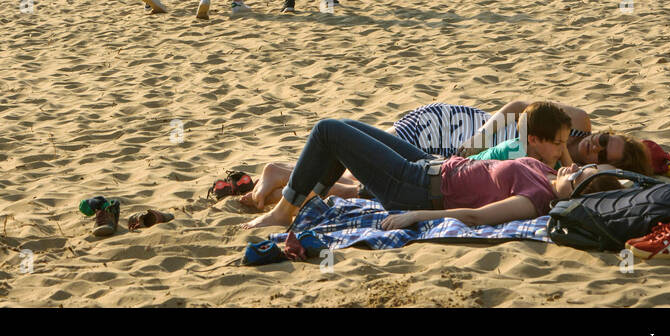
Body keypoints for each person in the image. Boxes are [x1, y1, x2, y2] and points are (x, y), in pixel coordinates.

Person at [240, 117, 618, 232]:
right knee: (345, 129)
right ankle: (293, 195)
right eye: (585, 164)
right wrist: (578, 167)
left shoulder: (535, 200)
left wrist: (415, 216)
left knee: (328, 132)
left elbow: (474, 217)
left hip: (418, 188)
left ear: (575, 195)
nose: (575, 165)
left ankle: (283, 211)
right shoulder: (546, 170)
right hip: (429, 164)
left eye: (580, 175)